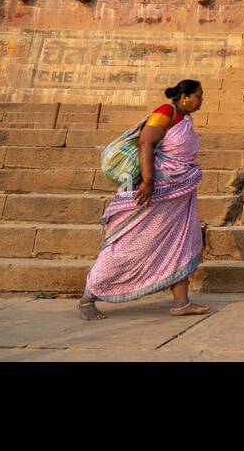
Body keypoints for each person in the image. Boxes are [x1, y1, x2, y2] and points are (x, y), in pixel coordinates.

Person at [78, 79, 209, 319]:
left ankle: (181, 303)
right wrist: (148, 182)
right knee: (129, 245)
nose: (201, 101)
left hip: (177, 197)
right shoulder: (165, 112)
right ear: (185, 97)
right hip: (154, 193)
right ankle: (88, 297)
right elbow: (145, 142)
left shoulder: (184, 119)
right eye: (198, 96)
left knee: (179, 243)